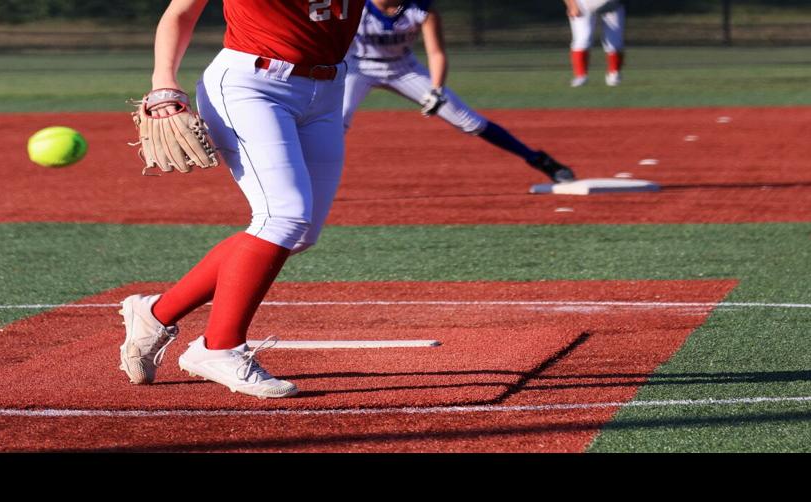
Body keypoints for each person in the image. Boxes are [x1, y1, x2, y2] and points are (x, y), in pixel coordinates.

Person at [118, 0, 366, 398]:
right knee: (283, 219)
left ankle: (154, 313)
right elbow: (181, 13)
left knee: (297, 234)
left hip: (327, 89)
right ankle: (219, 348)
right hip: (252, 84)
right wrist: (164, 82)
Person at [343, 0, 575, 183]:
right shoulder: (354, 6)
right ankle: (312, 182)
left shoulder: (421, 9)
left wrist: (436, 89)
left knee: (469, 121)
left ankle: (537, 159)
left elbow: (436, 53)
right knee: (336, 122)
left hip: (404, 68)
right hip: (358, 66)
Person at [565, 0, 625, 87]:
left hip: (611, 3)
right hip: (582, 3)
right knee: (583, 39)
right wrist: (572, 4)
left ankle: (614, 73)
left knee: (615, 41)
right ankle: (580, 75)